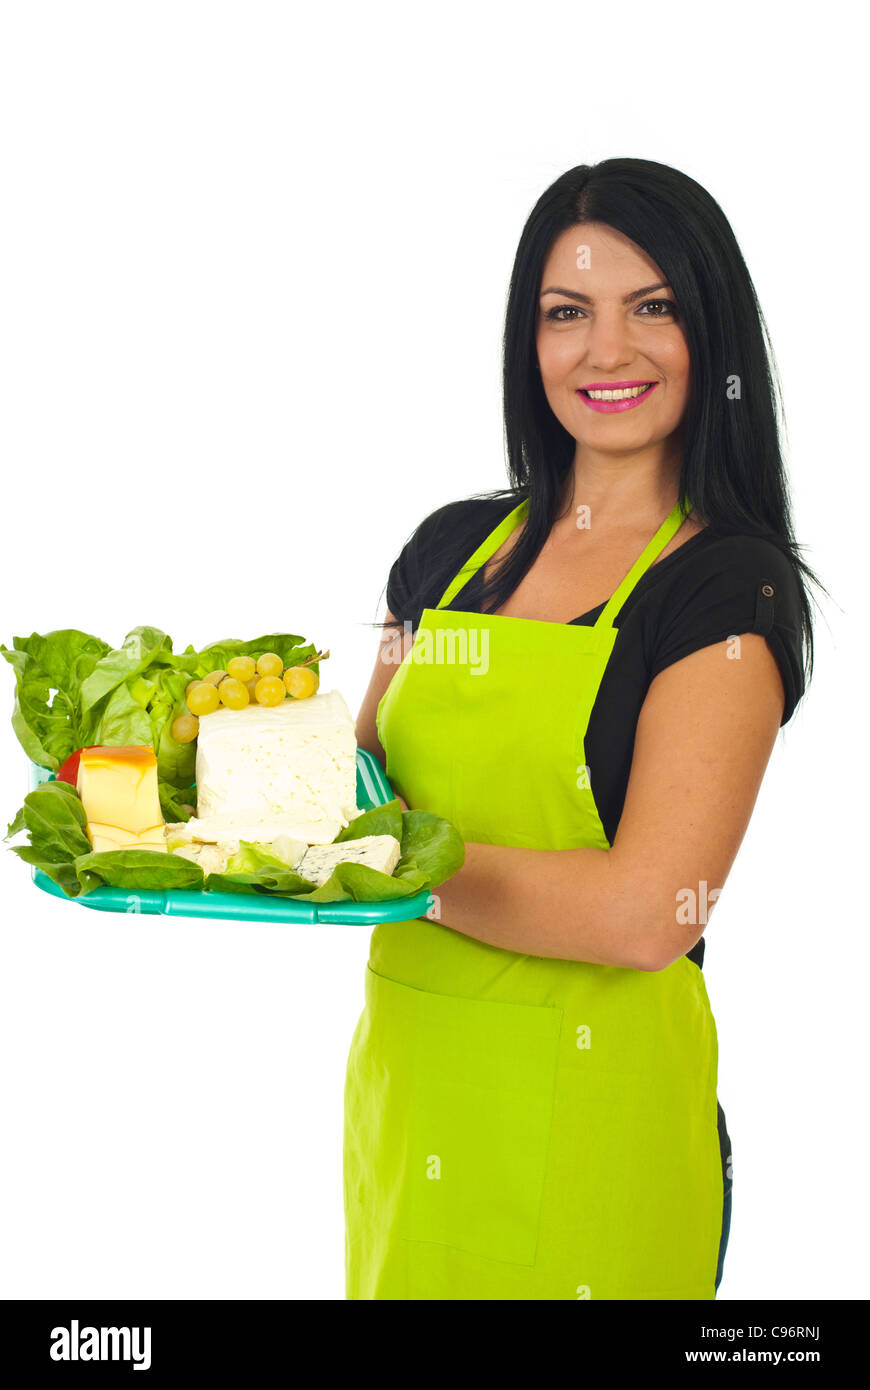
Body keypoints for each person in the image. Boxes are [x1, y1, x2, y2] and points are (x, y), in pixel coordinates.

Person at [344, 157, 819, 1301]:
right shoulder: (452, 552)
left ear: (712, 335)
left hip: (604, 1131)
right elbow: (354, 786)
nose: (608, 352)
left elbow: (648, 911)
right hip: (414, 1107)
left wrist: (377, 872)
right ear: (531, 342)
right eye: (568, 313)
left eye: (652, 307)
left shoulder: (725, 588)